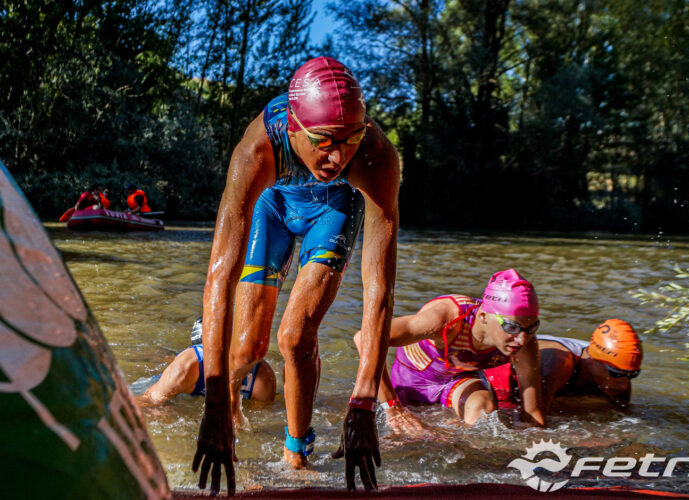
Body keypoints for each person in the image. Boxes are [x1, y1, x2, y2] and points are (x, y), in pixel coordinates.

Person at [193, 57, 400, 495]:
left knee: (295, 335)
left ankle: (297, 452)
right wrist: (212, 406)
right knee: (248, 345)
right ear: (293, 129)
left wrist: (363, 402)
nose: (338, 156)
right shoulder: (257, 149)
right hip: (273, 205)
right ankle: (230, 400)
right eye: (325, 142)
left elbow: (379, 288)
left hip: (334, 210)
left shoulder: (376, 157)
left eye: (350, 141)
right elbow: (219, 275)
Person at [363, 269, 546, 433]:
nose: (522, 339)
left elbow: (532, 412)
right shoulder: (447, 321)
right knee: (401, 439)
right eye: (512, 327)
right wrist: (392, 407)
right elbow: (364, 338)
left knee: (484, 411)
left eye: (532, 328)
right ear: (483, 317)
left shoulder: (524, 344)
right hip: (408, 383)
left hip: (455, 381)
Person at [483, 319, 643, 412]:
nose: (624, 384)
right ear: (594, 360)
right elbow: (533, 420)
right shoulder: (558, 362)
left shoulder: (621, 374)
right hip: (492, 372)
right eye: (615, 374)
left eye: (632, 375)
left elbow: (623, 415)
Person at [137, 318, 276, 406]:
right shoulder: (185, 368)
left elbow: (260, 420)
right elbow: (149, 400)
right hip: (188, 372)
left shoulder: (262, 376)